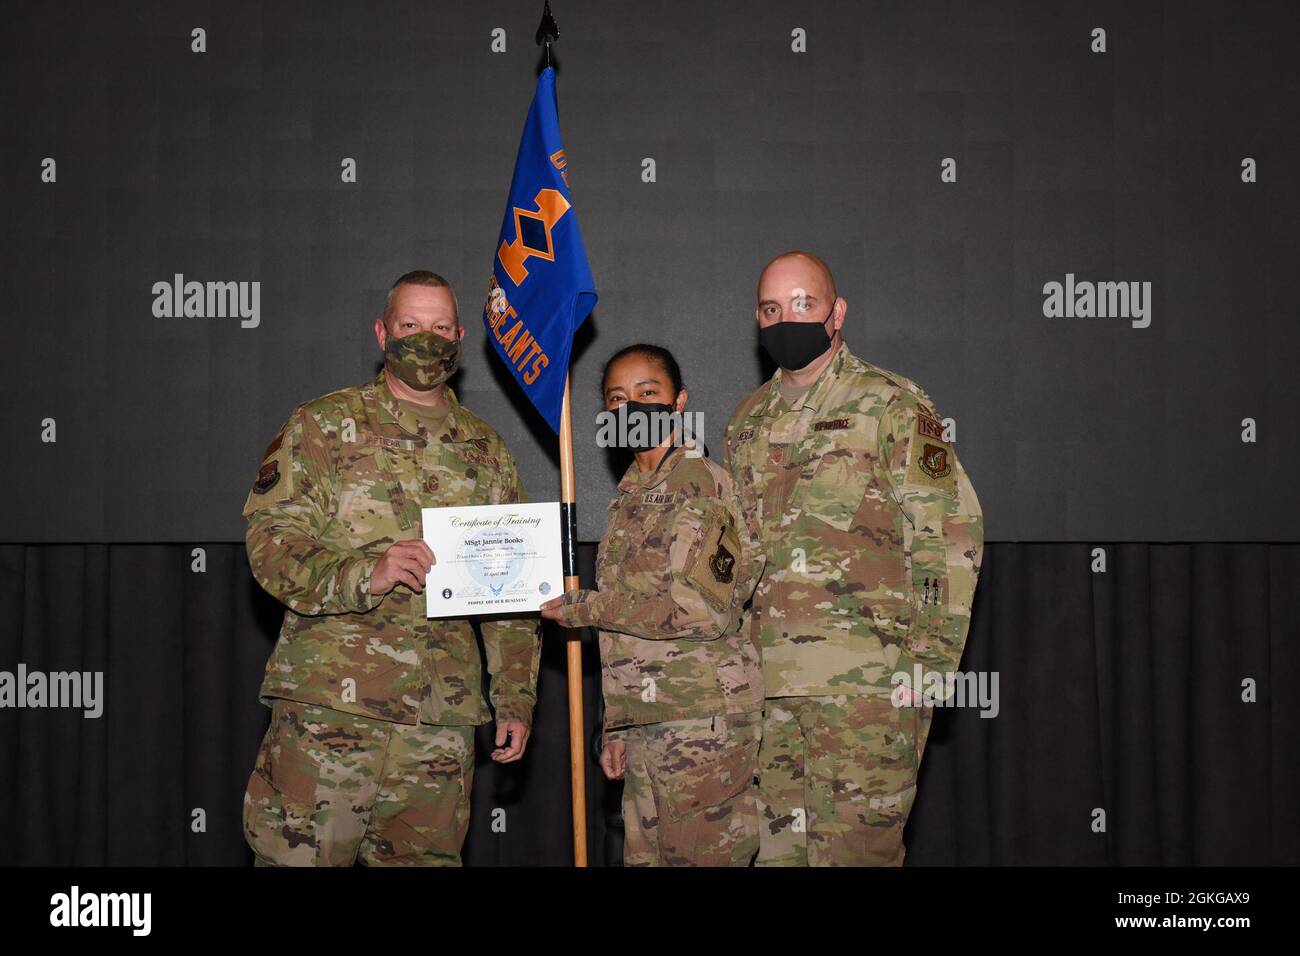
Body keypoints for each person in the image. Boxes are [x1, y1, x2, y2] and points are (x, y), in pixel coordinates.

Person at [240, 270, 541, 866]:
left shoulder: (486, 450)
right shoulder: (322, 426)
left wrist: (514, 698)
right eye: (409, 326)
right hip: (331, 709)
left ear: (460, 337)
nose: (424, 340)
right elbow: (270, 544)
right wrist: (364, 573)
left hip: (440, 724)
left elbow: (510, 591)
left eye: (439, 328)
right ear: (383, 333)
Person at [724, 251, 984, 866]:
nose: (786, 317)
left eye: (802, 304)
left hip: (867, 692)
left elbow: (949, 535)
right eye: (771, 309)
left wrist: (929, 668)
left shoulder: (890, 404)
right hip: (765, 694)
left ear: (836, 312)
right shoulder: (745, 422)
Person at [539, 344, 765, 866]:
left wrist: (586, 607)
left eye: (648, 394)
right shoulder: (632, 496)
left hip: (701, 721)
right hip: (649, 720)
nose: (632, 407)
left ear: (679, 402)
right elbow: (629, 638)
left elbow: (699, 613)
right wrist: (618, 724)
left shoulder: (700, 484)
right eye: (617, 399)